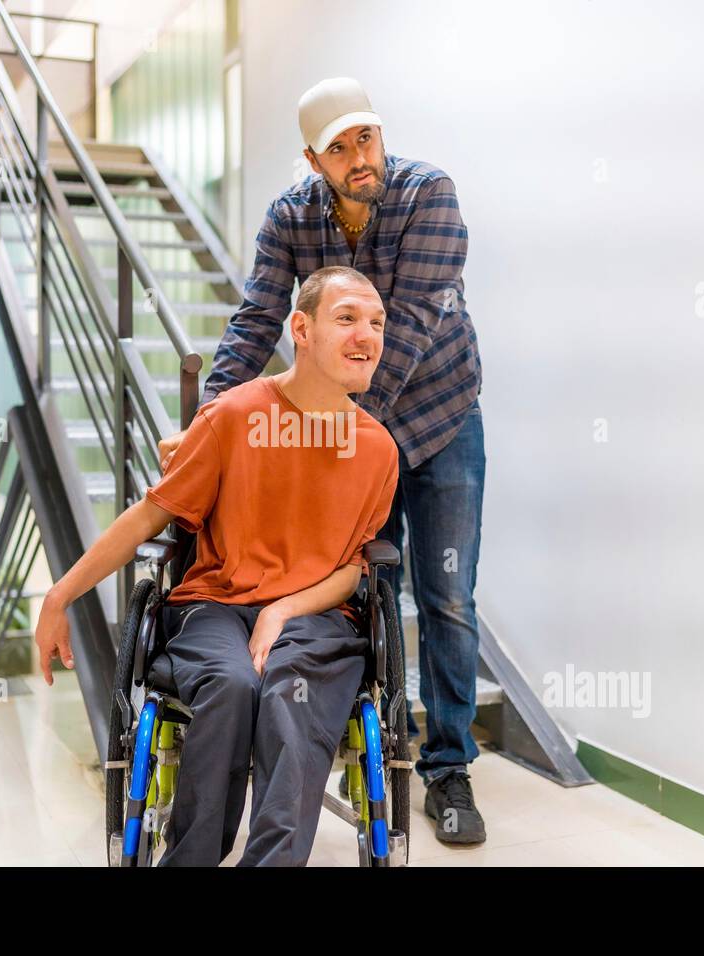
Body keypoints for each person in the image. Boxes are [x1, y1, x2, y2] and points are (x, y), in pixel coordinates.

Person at [157, 77, 487, 845]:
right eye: (338, 148)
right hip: (349, 428)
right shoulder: (289, 219)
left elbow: (399, 335)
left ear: (380, 134)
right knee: (367, 582)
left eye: (365, 137)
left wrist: (326, 433)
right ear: (315, 160)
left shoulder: (427, 194)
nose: (358, 157)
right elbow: (254, 324)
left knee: (447, 598)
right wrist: (209, 423)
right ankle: (372, 725)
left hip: (439, 419)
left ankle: (449, 768)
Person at [36, 267, 399, 866]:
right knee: (231, 686)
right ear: (301, 329)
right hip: (214, 608)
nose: (366, 336)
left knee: (292, 697)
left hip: (316, 614)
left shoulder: (376, 448)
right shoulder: (232, 416)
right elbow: (148, 517)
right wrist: (60, 595)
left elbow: (353, 569)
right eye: (348, 319)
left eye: (377, 323)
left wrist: (281, 610)